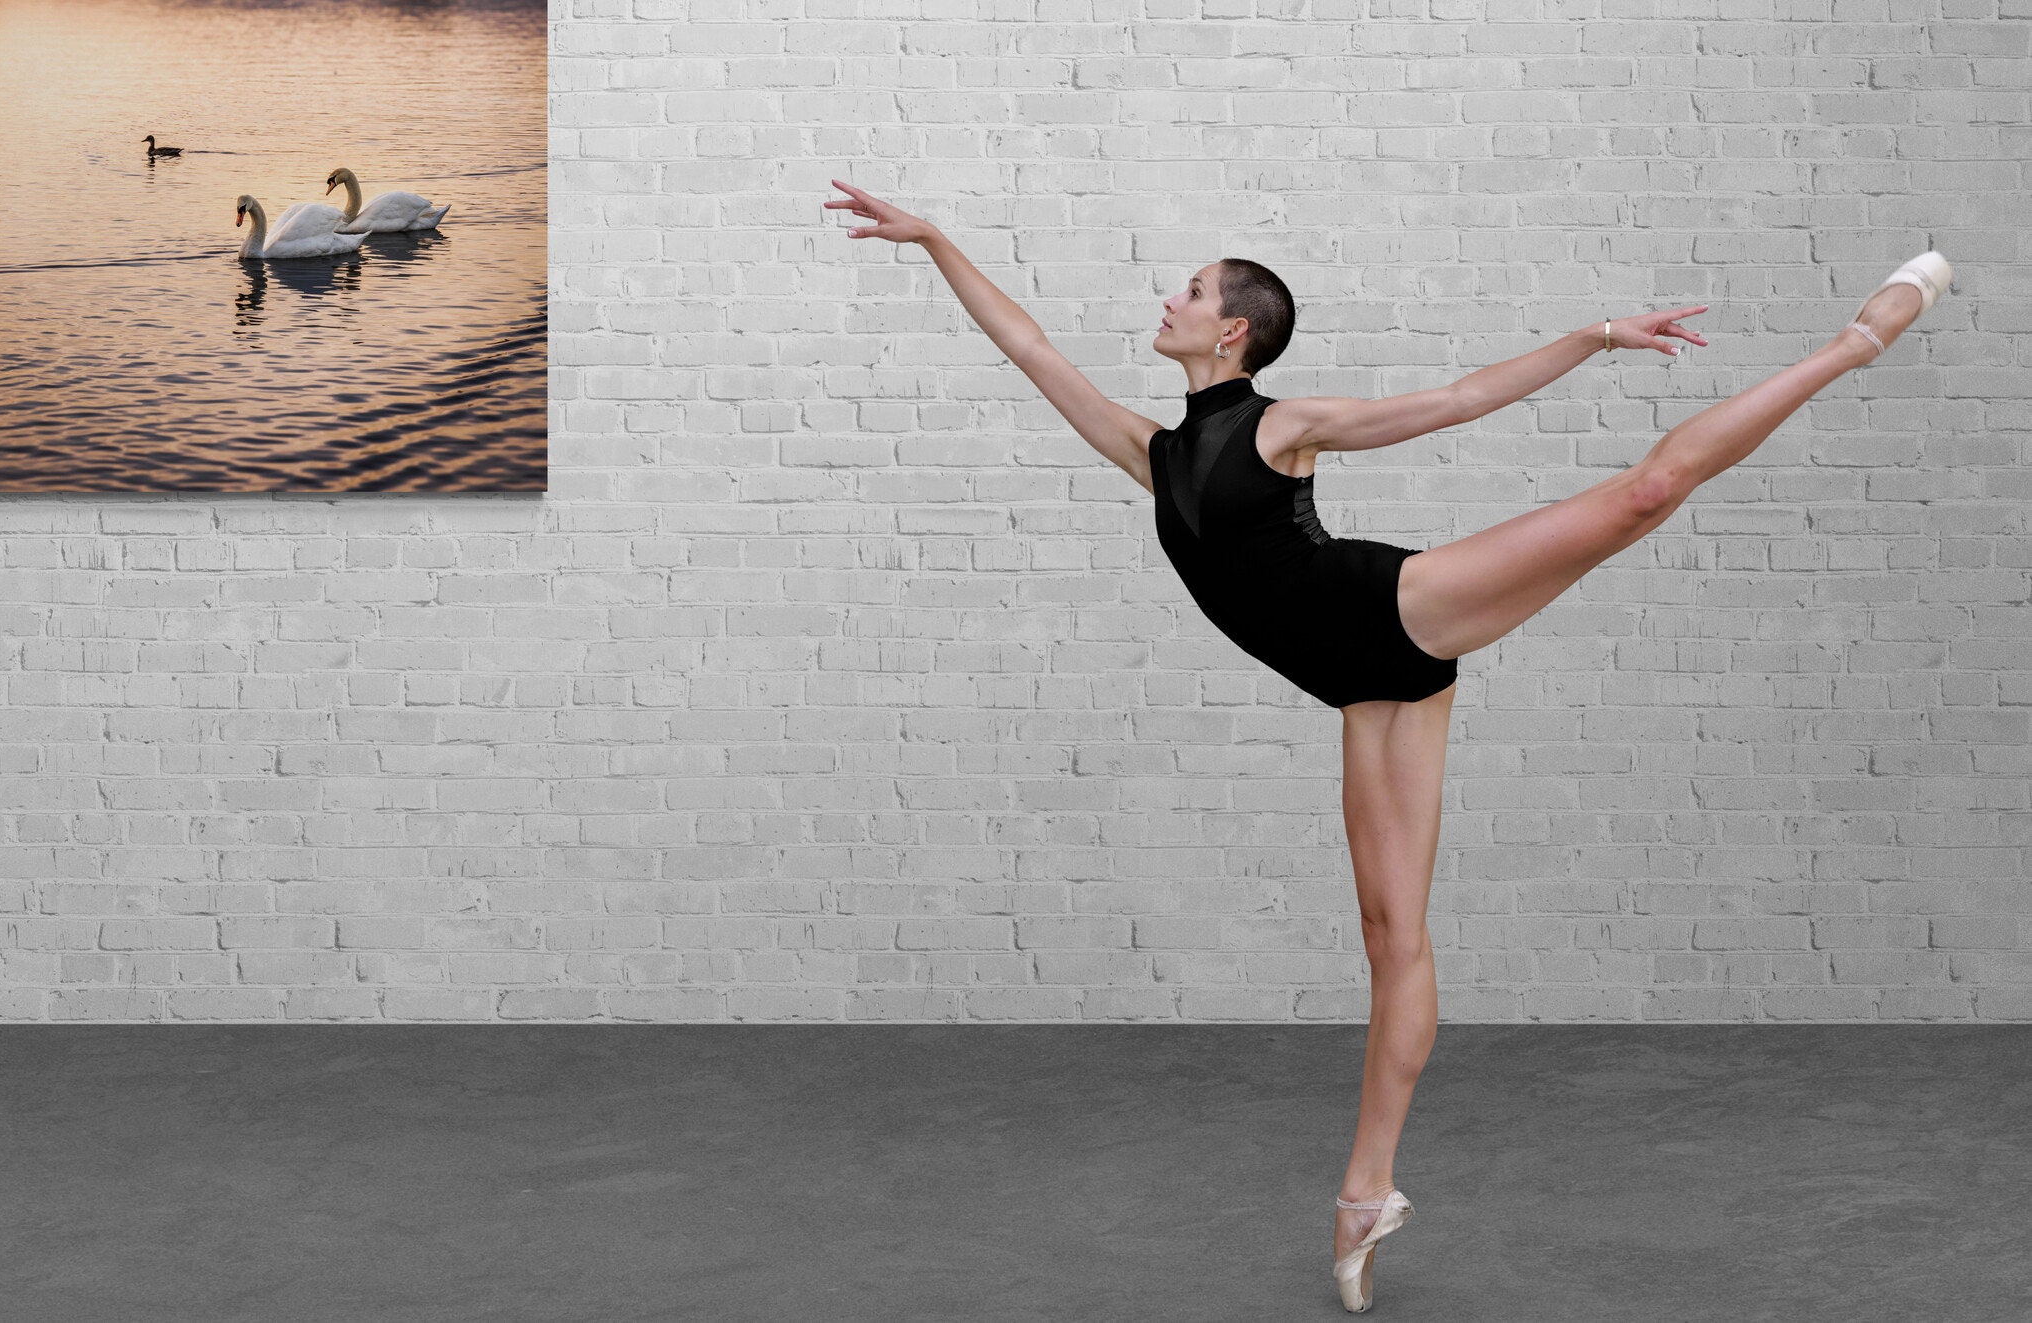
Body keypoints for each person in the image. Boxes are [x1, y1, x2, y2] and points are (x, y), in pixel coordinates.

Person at [822, 179, 1955, 1314]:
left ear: (1233, 330)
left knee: (1642, 495)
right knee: (1392, 940)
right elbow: (1027, 345)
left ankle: (1854, 342)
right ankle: (1368, 1196)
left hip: (1393, 610)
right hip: (1362, 688)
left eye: (1192, 289)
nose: (1168, 299)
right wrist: (935, 242)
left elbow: (1458, 400)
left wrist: (1596, 336)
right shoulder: (1150, 450)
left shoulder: (1282, 424)